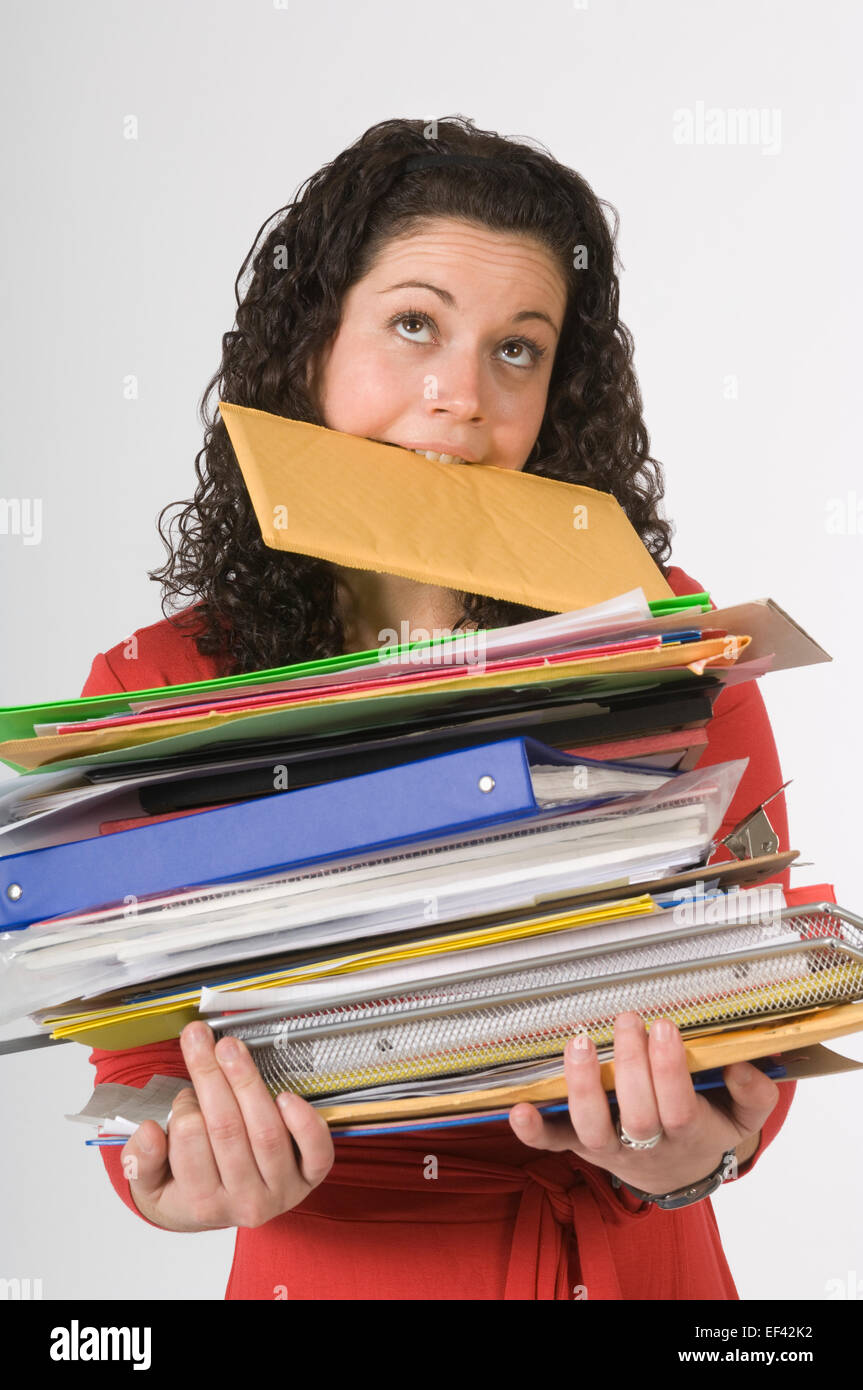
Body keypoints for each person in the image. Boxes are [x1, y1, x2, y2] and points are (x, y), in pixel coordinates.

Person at [80, 116, 795, 1300]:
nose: (459, 397)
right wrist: (178, 1182)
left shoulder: (670, 640)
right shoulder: (160, 686)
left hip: (632, 1272)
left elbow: (751, 1018)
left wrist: (695, 1149)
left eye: (517, 349)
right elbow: (140, 1079)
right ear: (310, 345)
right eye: (413, 324)